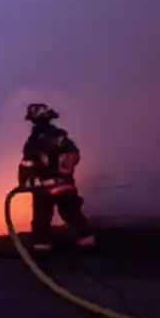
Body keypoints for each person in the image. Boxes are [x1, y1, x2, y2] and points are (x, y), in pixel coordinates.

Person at [20, 103, 95, 252]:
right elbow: (74, 157)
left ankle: (43, 246)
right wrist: (64, 175)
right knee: (71, 212)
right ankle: (86, 238)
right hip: (65, 184)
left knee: (42, 216)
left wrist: (25, 182)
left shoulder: (35, 141)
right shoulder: (63, 139)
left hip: (44, 187)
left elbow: (28, 164)